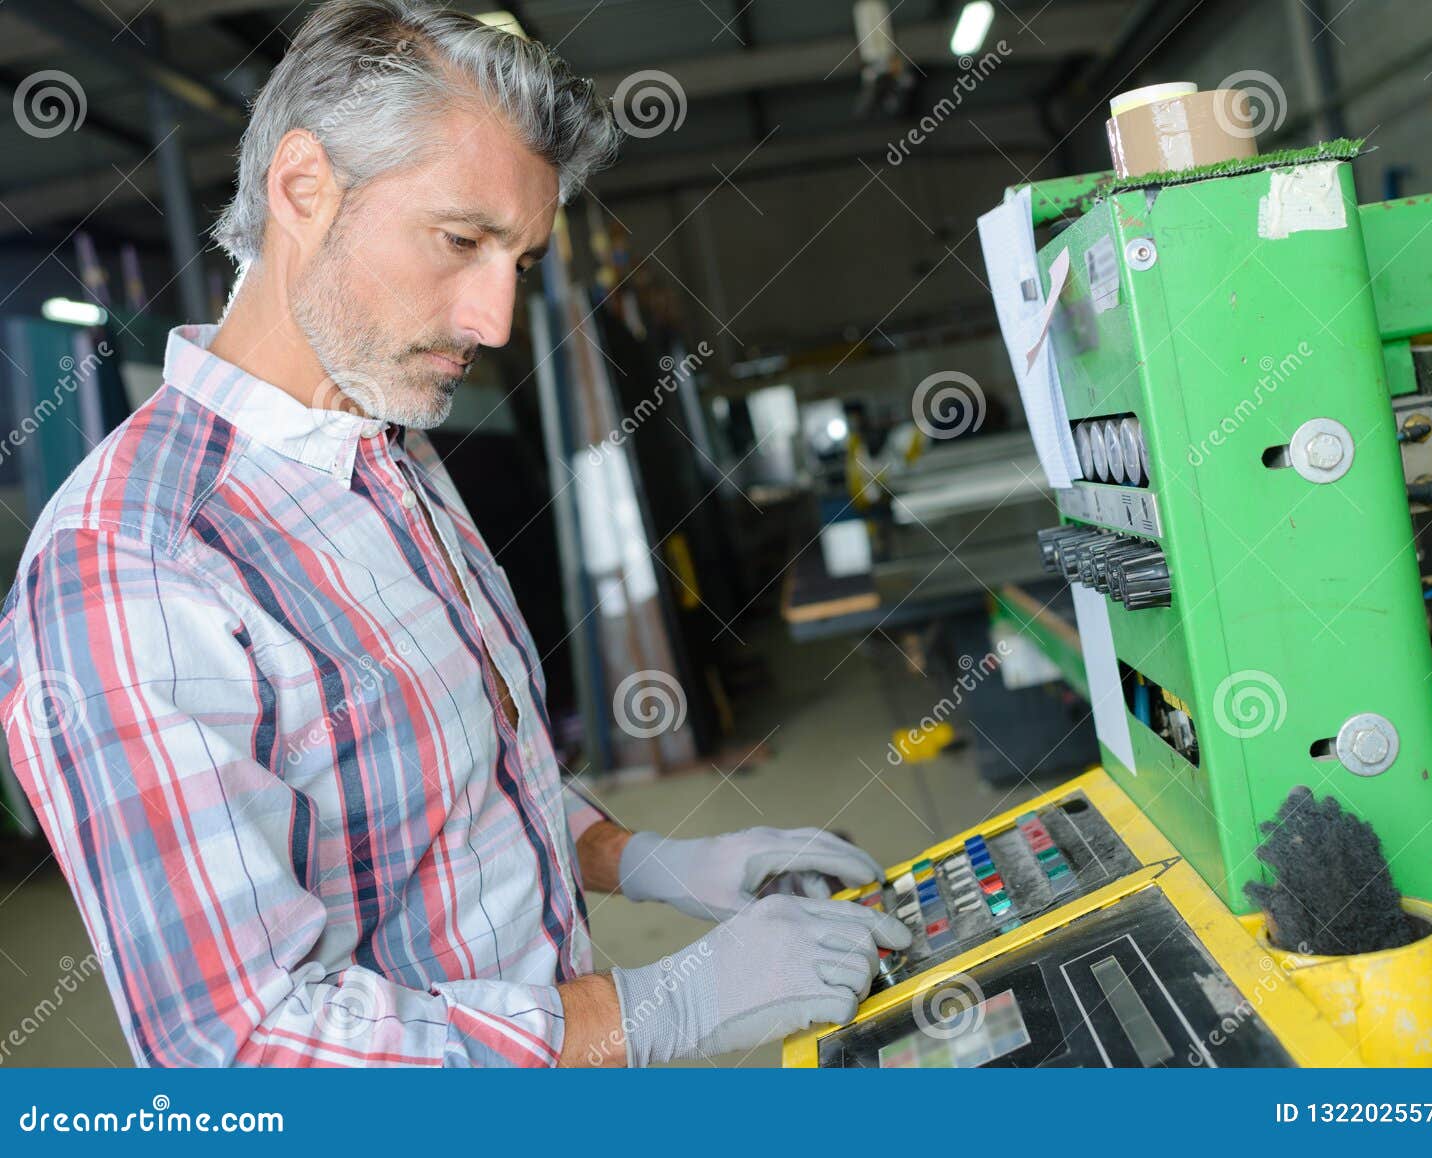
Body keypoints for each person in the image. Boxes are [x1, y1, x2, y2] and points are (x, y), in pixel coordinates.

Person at [0, 0, 907, 1068]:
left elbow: (455, 778)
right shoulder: (132, 570)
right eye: (461, 240)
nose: (493, 319)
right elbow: (244, 1049)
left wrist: (648, 859)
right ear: (302, 188)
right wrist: (651, 1009)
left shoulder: (392, 445)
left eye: (515, 260)